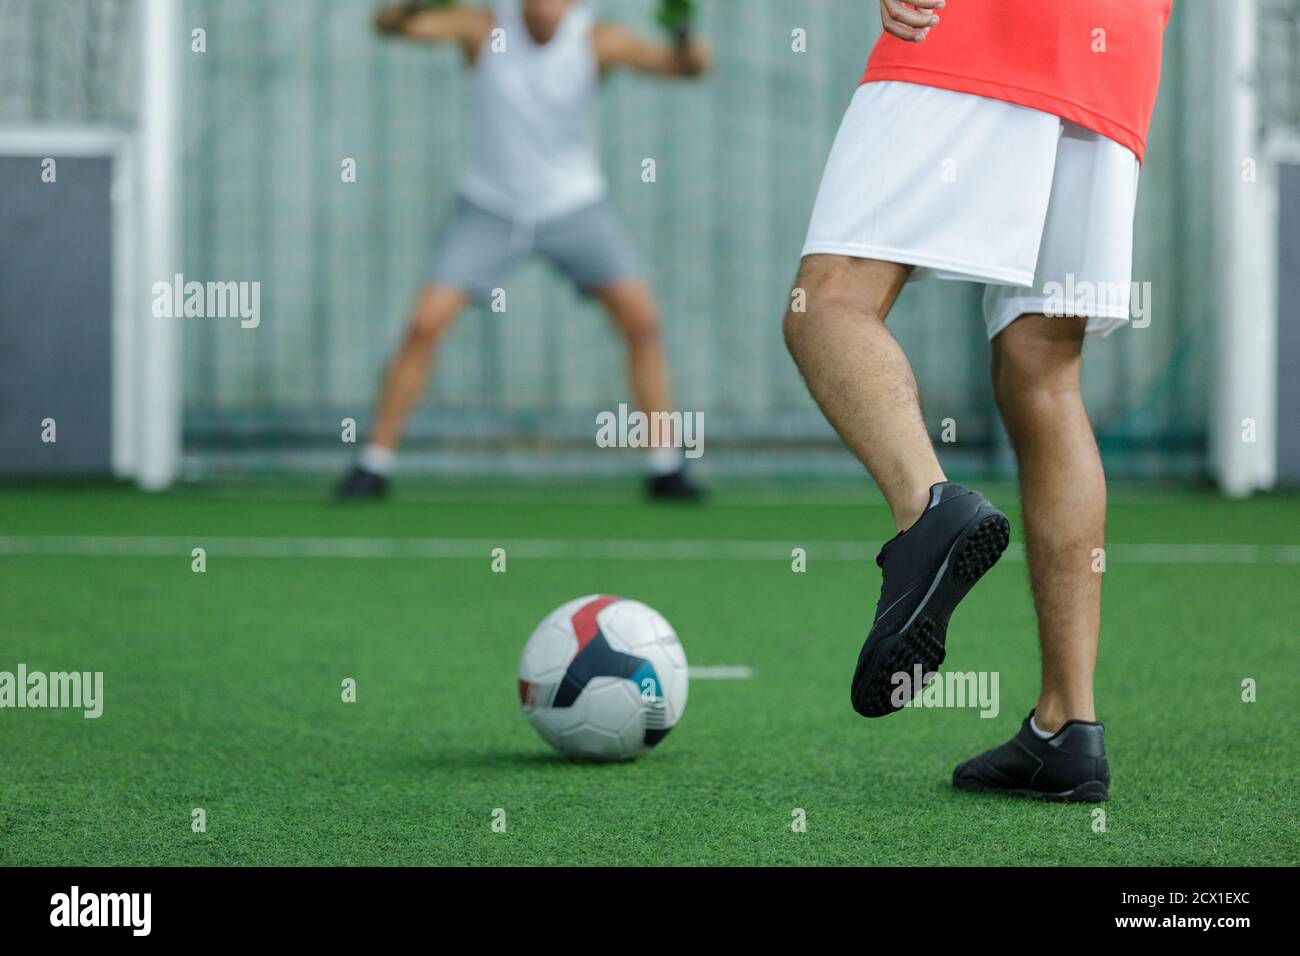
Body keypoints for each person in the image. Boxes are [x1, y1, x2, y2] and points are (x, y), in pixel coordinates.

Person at [784, 0, 1172, 801]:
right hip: (1117, 47)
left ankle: (929, 510)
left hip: (974, 25)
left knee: (827, 306)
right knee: (1044, 372)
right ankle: (1067, 727)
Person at [339, 0, 710, 501]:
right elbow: (388, 25)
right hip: (488, 208)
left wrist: (683, 31)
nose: (546, 8)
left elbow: (688, 68)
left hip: (574, 206)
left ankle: (666, 467)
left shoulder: (597, 39)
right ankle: (373, 463)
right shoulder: (481, 29)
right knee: (423, 325)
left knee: (641, 322)